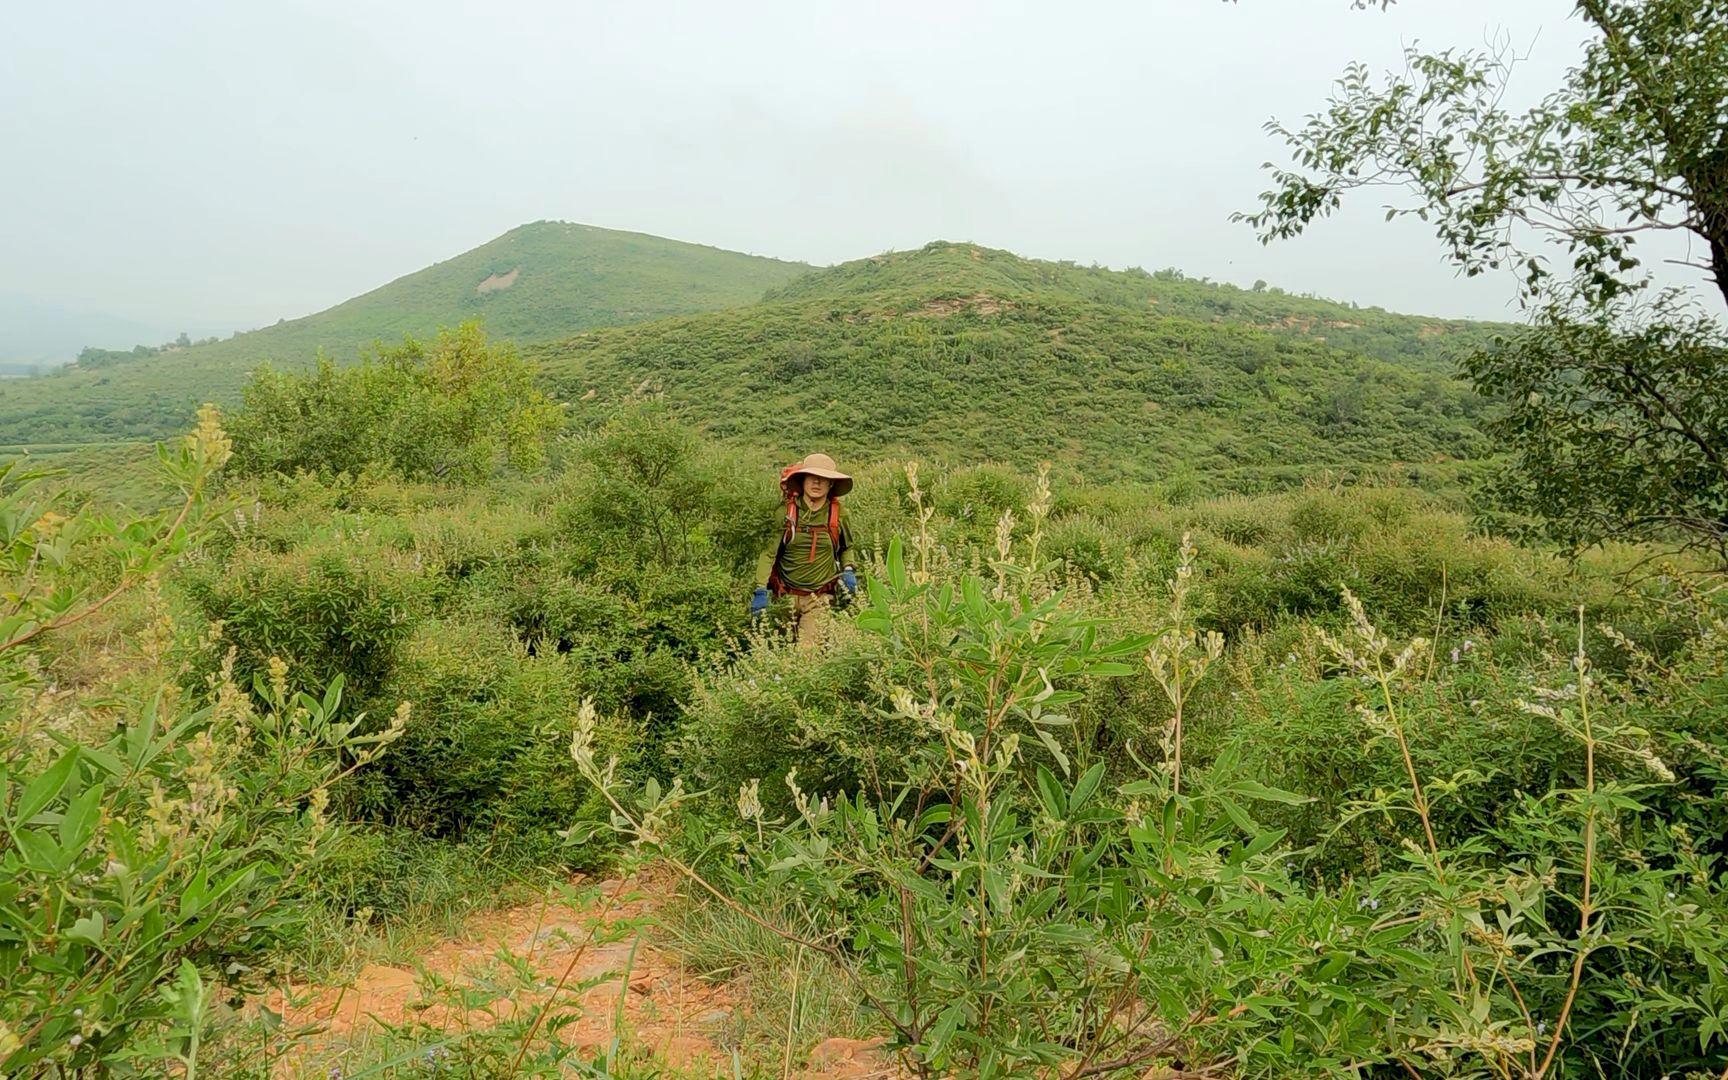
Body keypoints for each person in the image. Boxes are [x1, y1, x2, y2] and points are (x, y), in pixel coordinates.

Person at [752, 452, 858, 648]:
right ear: (802, 480)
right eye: (811, 477)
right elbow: (768, 553)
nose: (817, 482)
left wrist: (849, 570)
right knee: (780, 652)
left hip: (819, 598)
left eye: (823, 478)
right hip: (784, 596)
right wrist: (760, 589)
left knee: (808, 655)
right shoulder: (785, 512)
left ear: (831, 484)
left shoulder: (838, 514)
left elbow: (846, 548)